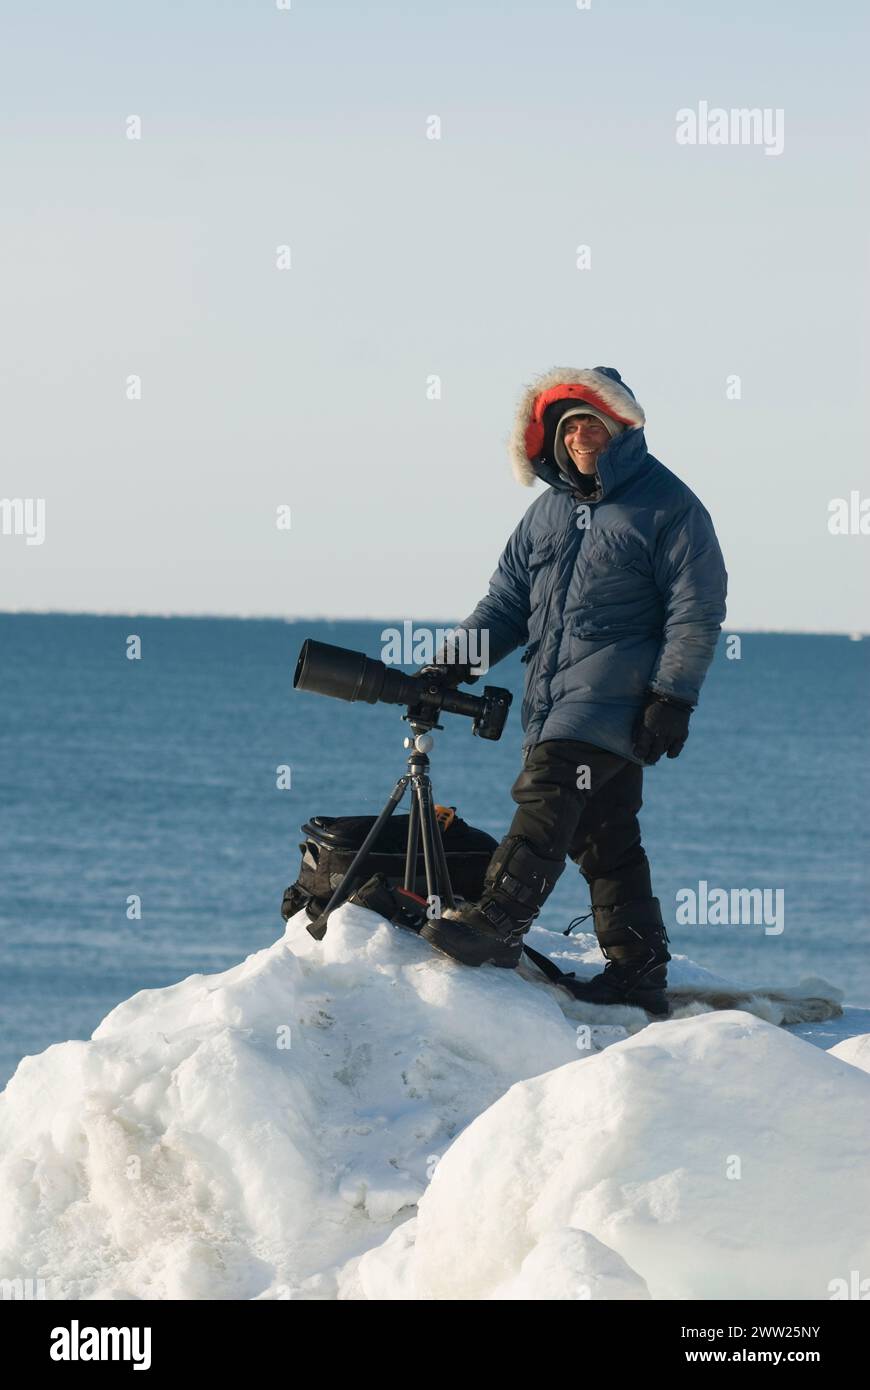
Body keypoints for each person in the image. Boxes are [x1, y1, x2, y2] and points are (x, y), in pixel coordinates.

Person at [418, 365, 728, 1014]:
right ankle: (638, 972)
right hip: (553, 700)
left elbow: (694, 612)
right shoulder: (546, 514)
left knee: (549, 793)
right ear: (555, 439)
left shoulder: (668, 506)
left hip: (614, 699)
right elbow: (505, 605)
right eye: (571, 425)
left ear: (622, 429)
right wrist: (451, 667)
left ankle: (497, 922)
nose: (583, 435)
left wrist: (673, 698)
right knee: (606, 839)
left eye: (595, 422)